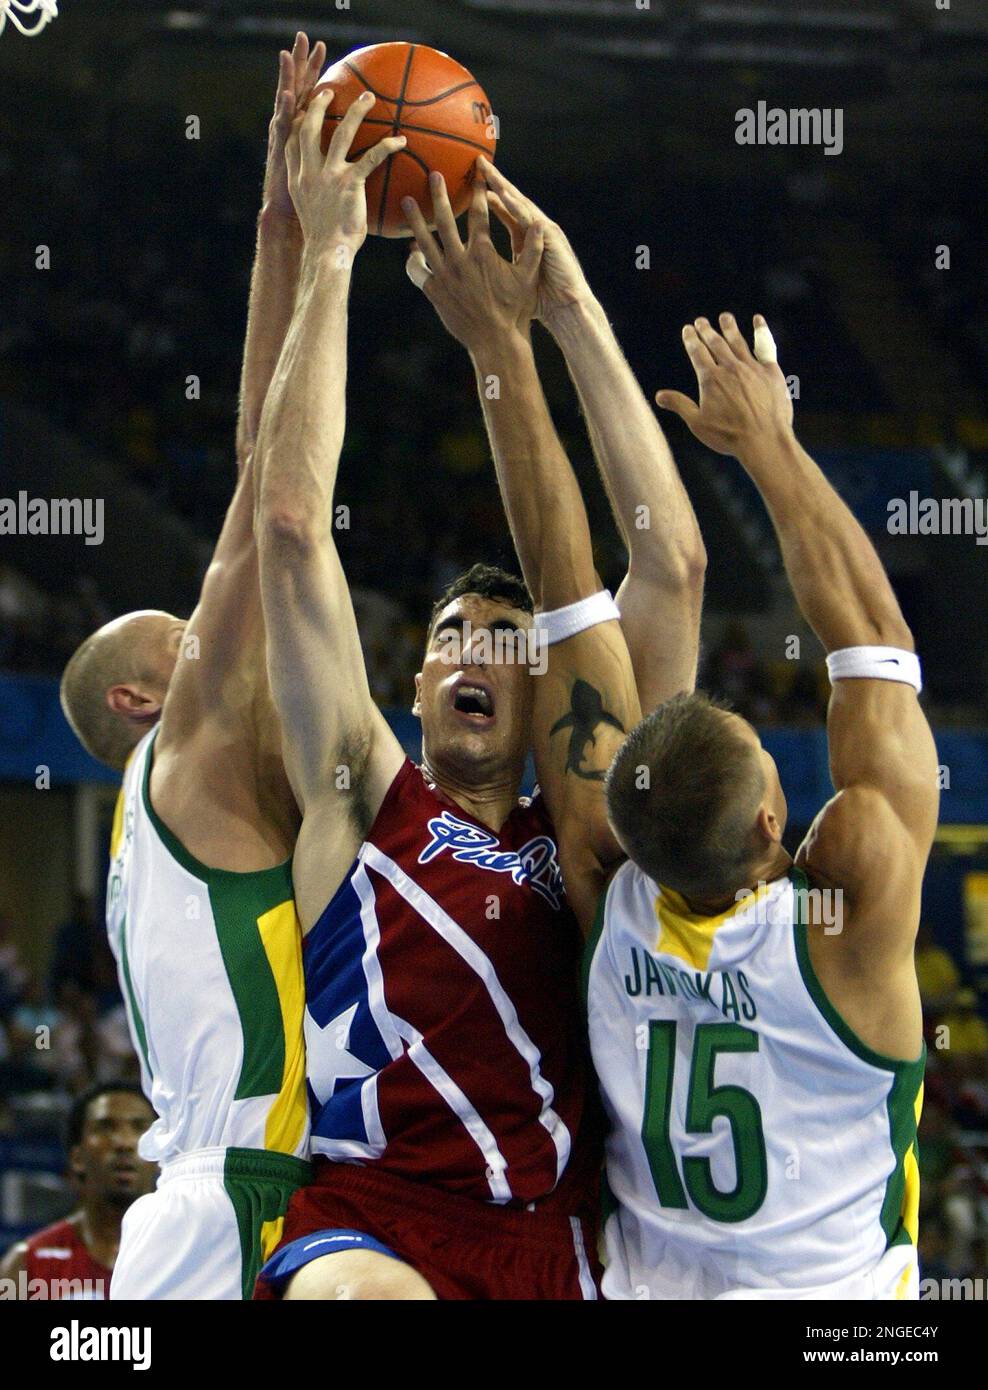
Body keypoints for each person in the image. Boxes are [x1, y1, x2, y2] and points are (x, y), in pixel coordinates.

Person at [252, 96, 704, 1302]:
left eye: (508, 640)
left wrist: (570, 309)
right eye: (451, 632)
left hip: (558, 1238)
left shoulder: (594, 820)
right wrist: (331, 256)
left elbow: (668, 568)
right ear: (411, 678)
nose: (471, 651)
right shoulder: (361, 791)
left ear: (544, 683)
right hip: (372, 1218)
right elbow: (291, 531)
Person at [530, 310, 939, 1299]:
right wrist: (769, 441)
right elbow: (875, 634)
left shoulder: (607, 893)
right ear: (769, 822)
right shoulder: (846, 910)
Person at [56, 35, 329, 1299]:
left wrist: (278, 224)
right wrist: (310, 242)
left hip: (218, 1200)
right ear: (139, 697)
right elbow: (267, 493)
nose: (210, 634)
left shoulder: (158, 806)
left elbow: (257, 472)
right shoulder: (183, 753)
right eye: (183, 630)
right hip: (237, 1204)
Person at [0, 1084, 156, 1299]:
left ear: (159, 1155)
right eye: (106, 1127)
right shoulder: (27, 1265)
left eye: (139, 1127)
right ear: (77, 1158)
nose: (124, 1143)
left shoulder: (186, 1255)